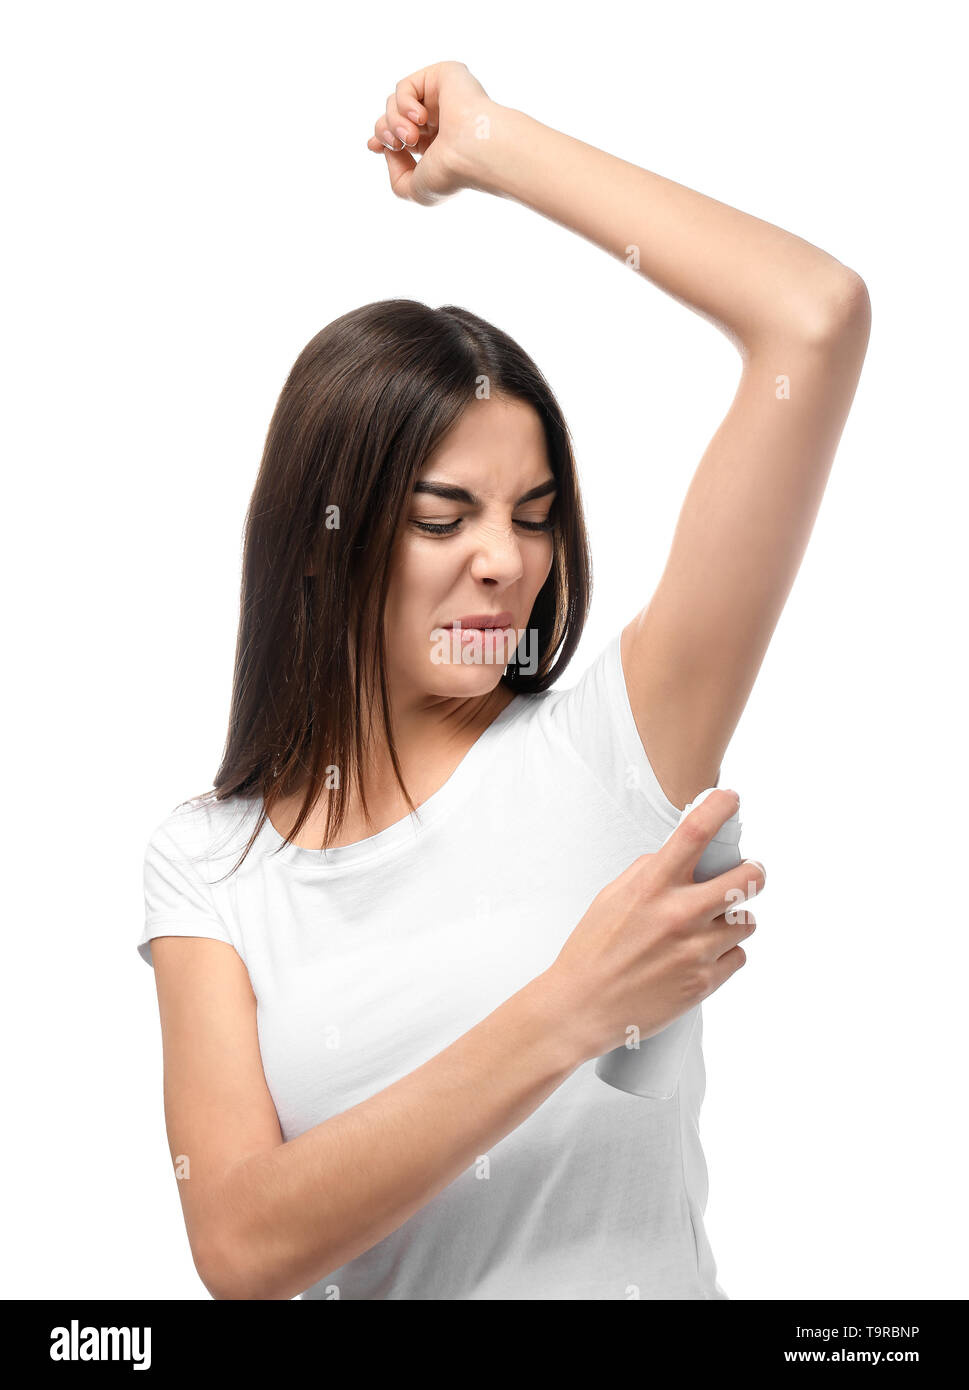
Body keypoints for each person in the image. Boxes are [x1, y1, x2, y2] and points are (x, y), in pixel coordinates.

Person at [138, 61, 871, 1301]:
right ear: (328, 537)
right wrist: (574, 1005)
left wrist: (491, 145)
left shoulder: (622, 742)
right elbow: (244, 1246)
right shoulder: (209, 865)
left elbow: (814, 314)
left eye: (534, 515)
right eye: (443, 516)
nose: (506, 561)